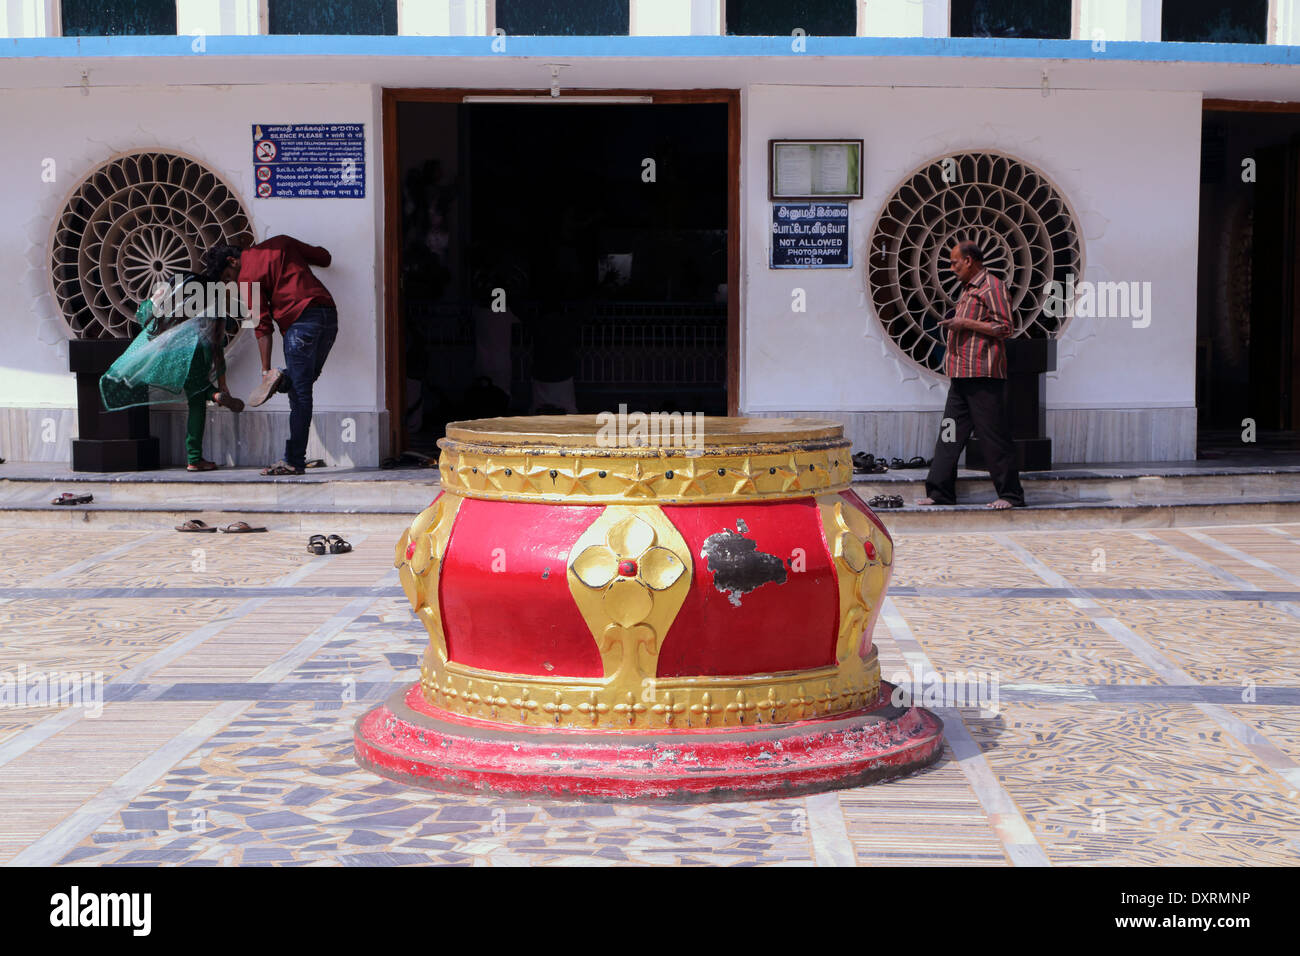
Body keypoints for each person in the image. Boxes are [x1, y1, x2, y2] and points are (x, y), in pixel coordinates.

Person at [100, 254, 244, 472]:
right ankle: (196, 450)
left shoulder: (182, 280)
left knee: (193, 391)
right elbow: (217, 346)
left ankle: (211, 399)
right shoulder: (218, 297)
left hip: (169, 349)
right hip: (197, 352)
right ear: (228, 268)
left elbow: (148, 309)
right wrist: (223, 383)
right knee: (197, 402)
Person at [211, 236, 337, 476]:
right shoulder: (281, 243)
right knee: (305, 378)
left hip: (299, 325)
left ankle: (293, 461)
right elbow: (324, 257)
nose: (232, 282)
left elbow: (262, 327)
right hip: (328, 317)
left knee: (301, 394)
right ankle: (282, 379)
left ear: (232, 261)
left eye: (228, 277)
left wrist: (265, 370)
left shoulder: (247, 277)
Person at [916, 241, 1025, 510]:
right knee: (949, 434)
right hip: (961, 375)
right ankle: (940, 492)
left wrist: (964, 323)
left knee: (993, 436)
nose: (951, 268)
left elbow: (1005, 327)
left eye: (954, 263)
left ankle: (1010, 495)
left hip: (983, 376)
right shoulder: (967, 289)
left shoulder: (992, 286)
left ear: (969, 260)